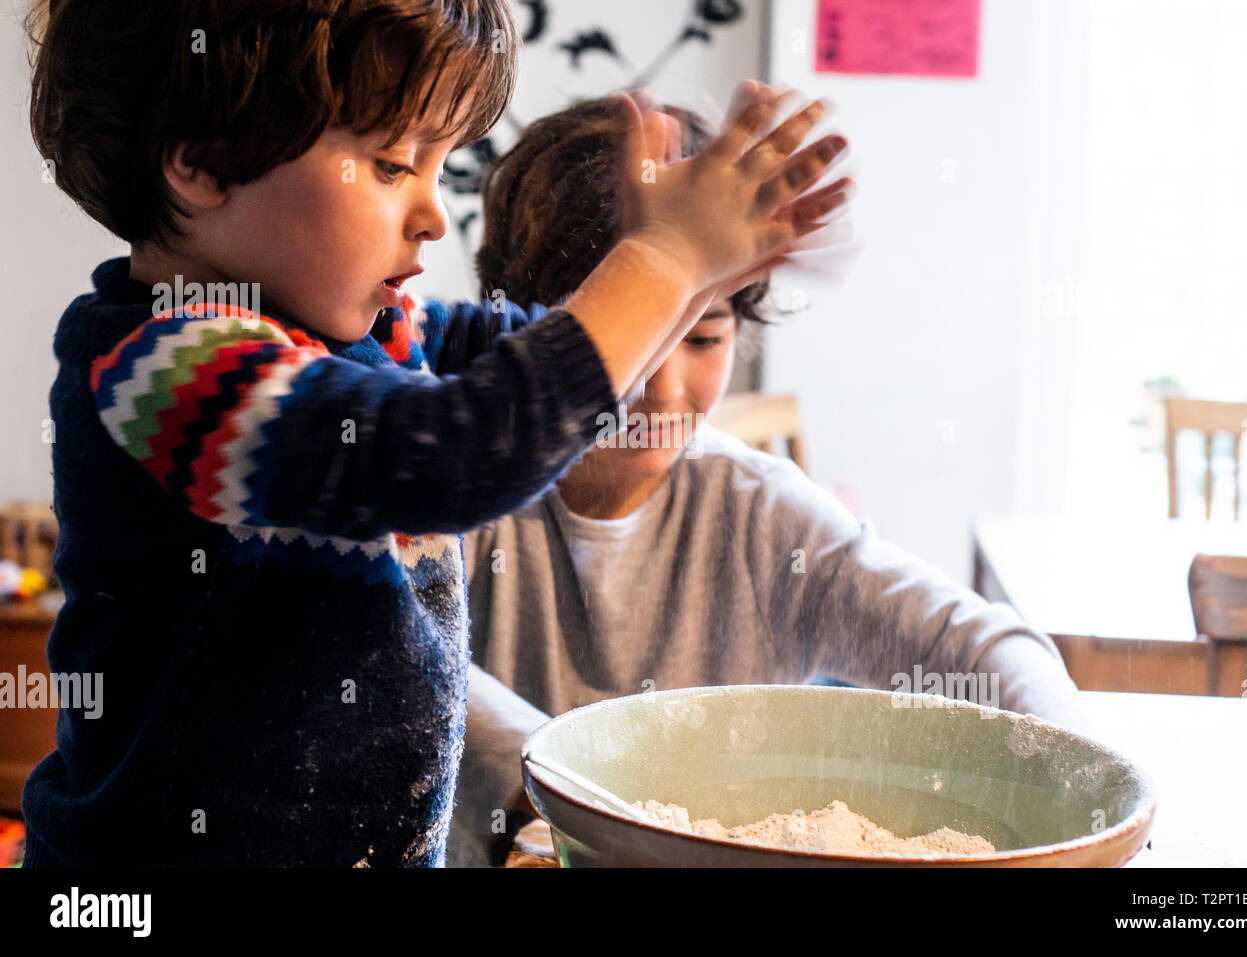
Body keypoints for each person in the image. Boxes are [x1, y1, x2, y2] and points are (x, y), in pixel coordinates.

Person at [20, 0, 852, 867]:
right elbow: (465, 449)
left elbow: (545, 363)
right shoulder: (168, 370)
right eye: (390, 165)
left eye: (439, 164)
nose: (432, 215)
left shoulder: (367, 334)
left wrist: (695, 274)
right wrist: (666, 262)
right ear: (200, 158)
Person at [449, 99, 1093, 866]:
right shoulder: (457, 487)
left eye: (706, 335)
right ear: (520, 328)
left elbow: (989, 647)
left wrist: (1077, 789)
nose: (660, 390)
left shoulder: (761, 518)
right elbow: (407, 662)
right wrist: (559, 790)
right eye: (628, 336)